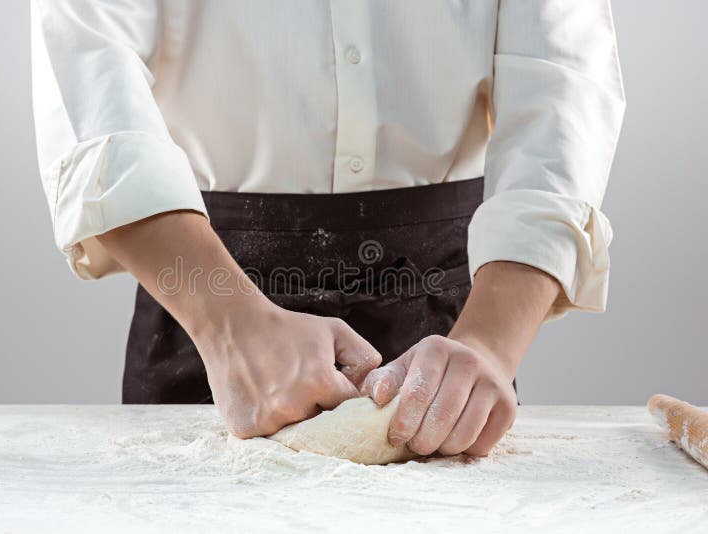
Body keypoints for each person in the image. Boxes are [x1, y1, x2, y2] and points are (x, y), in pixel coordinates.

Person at [31, 1, 624, 457]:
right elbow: (91, 78)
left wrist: (489, 343)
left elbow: (562, 98)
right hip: (205, 303)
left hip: (453, 332)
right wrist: (228, 322)